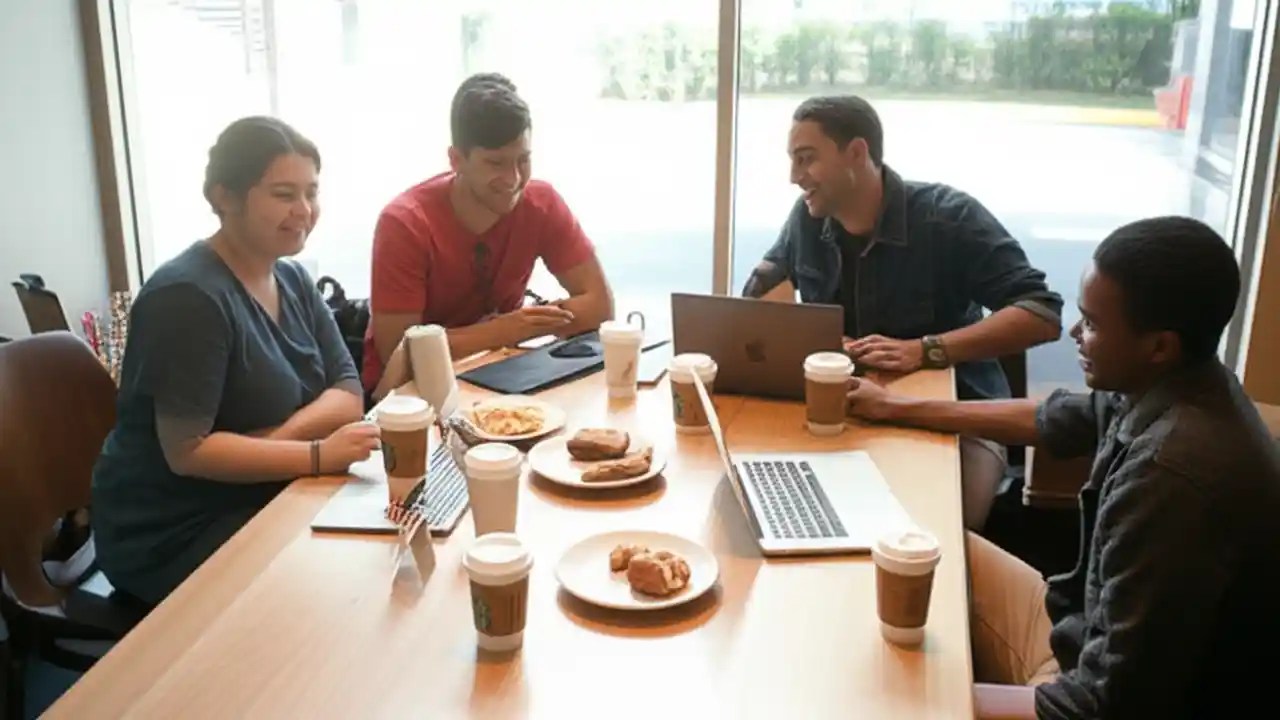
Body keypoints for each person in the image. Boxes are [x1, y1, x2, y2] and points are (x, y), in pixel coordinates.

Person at [845, 217, 1280, 719]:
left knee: (888, 701)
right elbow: (1051, 418)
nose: (1074, 332)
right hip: (1079, 625)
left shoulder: (1170, 477)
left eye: (1092, 324)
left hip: (1083, 688)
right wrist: (896, 408)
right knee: (915, 540)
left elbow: (1101, 705)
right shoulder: (1182, 380)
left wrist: (923, 705)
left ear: (1159, 345)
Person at [91, 117, 381, 605]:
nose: (304, 211)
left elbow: (349, 393)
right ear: (224, 197)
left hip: (262, 490)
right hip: (175, 527)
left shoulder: (292, 279)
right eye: (284, 194)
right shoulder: (188, 297)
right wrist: (314, 454)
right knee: (338, 591)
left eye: (312, 192)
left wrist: (269, 445)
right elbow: (188, 453)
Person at [742, 95, 1063, 530]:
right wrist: (802, 335)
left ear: (857, 153)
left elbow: (1041, 312)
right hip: (843, 409)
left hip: (953, 416)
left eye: (806, 159)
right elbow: (766, 290)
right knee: (775, 513)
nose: (794, 178)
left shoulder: (948, 218)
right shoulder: (808, 218)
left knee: (932, 537)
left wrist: (927, 350)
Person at [364, 73, 614, 399]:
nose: (513, 179)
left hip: (502, 376)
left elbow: (600, 307)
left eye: (523, 160)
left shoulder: (541, 202)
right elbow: (400, 351)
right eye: (495, 163)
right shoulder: (405, 223)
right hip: (412, 397)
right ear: (456, 160)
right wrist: (507, 329)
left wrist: (524, 325)